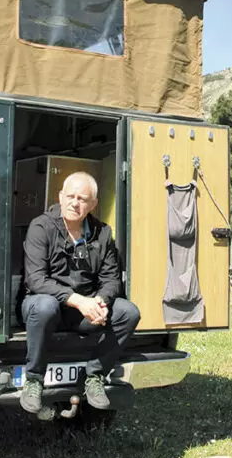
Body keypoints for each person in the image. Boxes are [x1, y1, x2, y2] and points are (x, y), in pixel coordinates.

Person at [19, 171, 141, 415]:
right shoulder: (41, 227)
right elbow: (36, 280)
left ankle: (94, 376)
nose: (75, 203)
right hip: (46, 307)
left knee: (128, 312)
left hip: (84, 310)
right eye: (70, 196)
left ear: (93, 204)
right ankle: (33, 380)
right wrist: (77, 301)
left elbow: (111, 279)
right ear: (60, 196)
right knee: (44, 306)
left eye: (82, 199)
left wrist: (100, 302)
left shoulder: (103, 233)